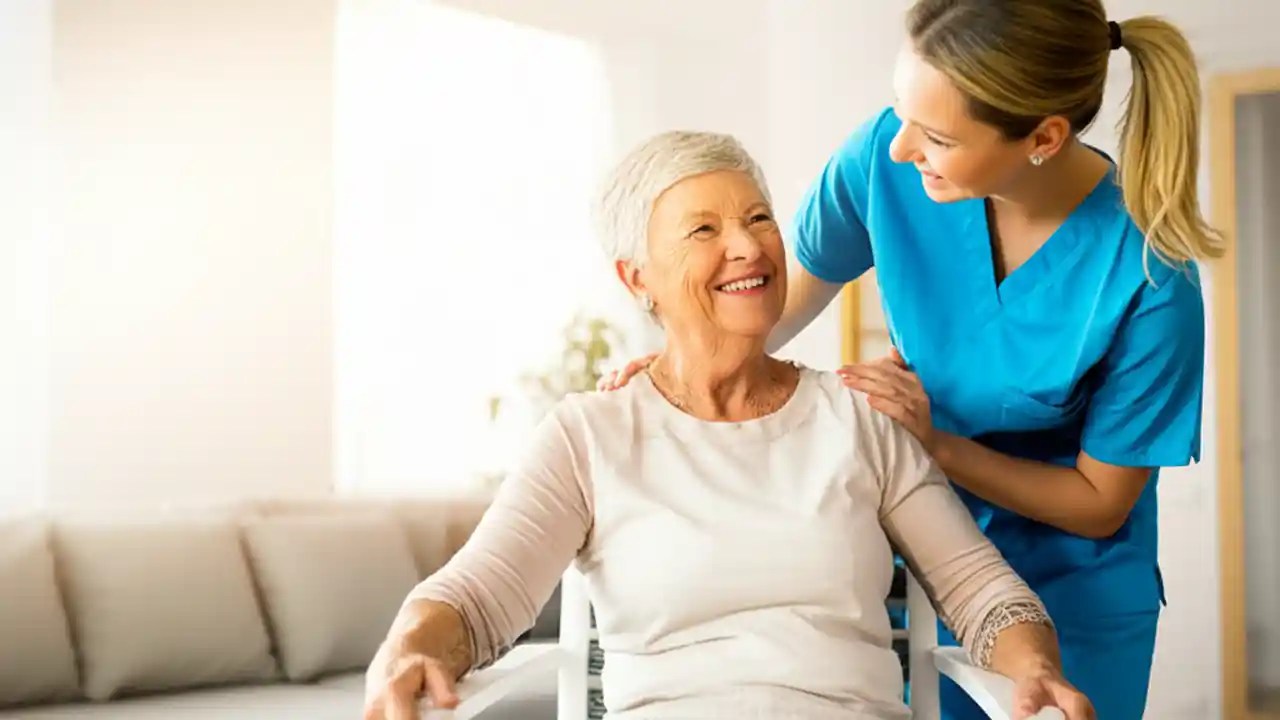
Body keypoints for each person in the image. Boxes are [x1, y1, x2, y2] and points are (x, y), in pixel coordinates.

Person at [599, 2, 1216, 719]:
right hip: (917, 565)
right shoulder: (885, 160)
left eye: (937, 136)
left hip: (1072, 590)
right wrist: (678, 369)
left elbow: (1100, 504)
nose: (901, 148)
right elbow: (767, 303)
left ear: (1043, 137)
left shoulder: (1149, 277)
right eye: (901, 111)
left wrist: (933, 445)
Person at [363, 131, 1094, 720]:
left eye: (758, 219)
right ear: (636, 279)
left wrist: (1033, 674)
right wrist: (410, 650)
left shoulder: (859, 420)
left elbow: (984, 594)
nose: (746, 246)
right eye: (703, 230)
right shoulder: (591, 435)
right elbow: (474, 595)